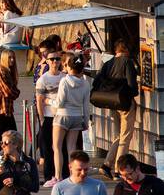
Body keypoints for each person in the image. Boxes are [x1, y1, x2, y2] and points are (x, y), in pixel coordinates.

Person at [93, 41, 139, 175]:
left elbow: (96, 81)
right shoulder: (127, 62)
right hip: (125, 103)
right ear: (126, 50)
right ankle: (119, 170)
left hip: (111, 102)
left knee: (119, 135)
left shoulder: (108, 63)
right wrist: (132, 94)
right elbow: (132, 85)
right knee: (125, 136)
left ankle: (107, 165)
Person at [50, 53, 91, 185]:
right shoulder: (85, 84)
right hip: (77, 116)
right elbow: (86, 105)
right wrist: (85, 122)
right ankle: (73, 175)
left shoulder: (65, 81)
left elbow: (60, 101)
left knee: (56, 146)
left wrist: (50, 102)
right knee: (71, 148)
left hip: (62, 115)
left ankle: (58, 176)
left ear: (69, 67)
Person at [35, 46, 66, 186]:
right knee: (47, 147)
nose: (55, 61)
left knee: (62, 147)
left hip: (62, 115)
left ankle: (63, 174)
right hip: (48, 116)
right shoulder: (43, 79)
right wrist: (41, 118)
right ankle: (49, 175)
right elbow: (39, 99)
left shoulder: (64, 78)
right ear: (47, 61)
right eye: (52, 59)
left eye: (57, 59)